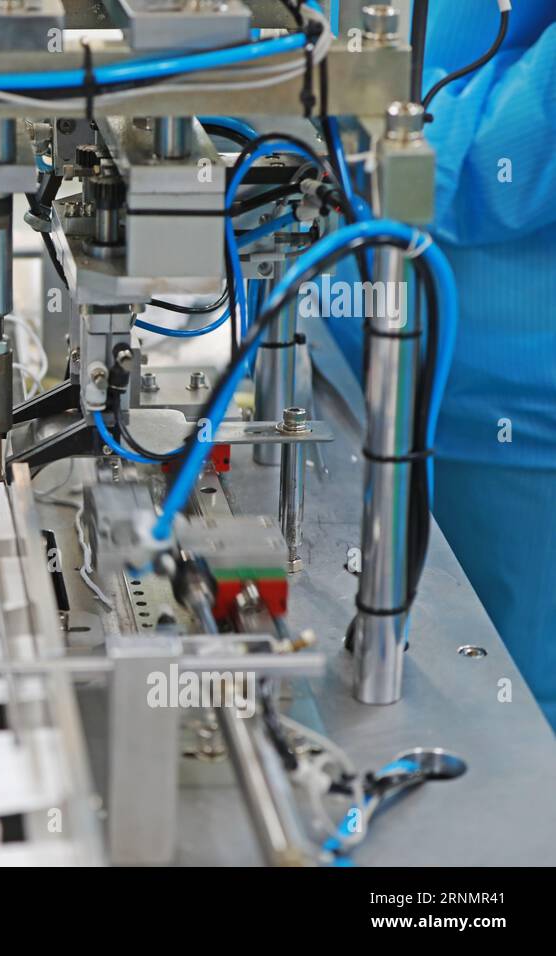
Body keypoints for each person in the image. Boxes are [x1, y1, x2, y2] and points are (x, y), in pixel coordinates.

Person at [327, 1, 556, 729]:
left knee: (507, 734)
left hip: (512, 427)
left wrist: (351, 111)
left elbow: (503, 161)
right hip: (345, 366)